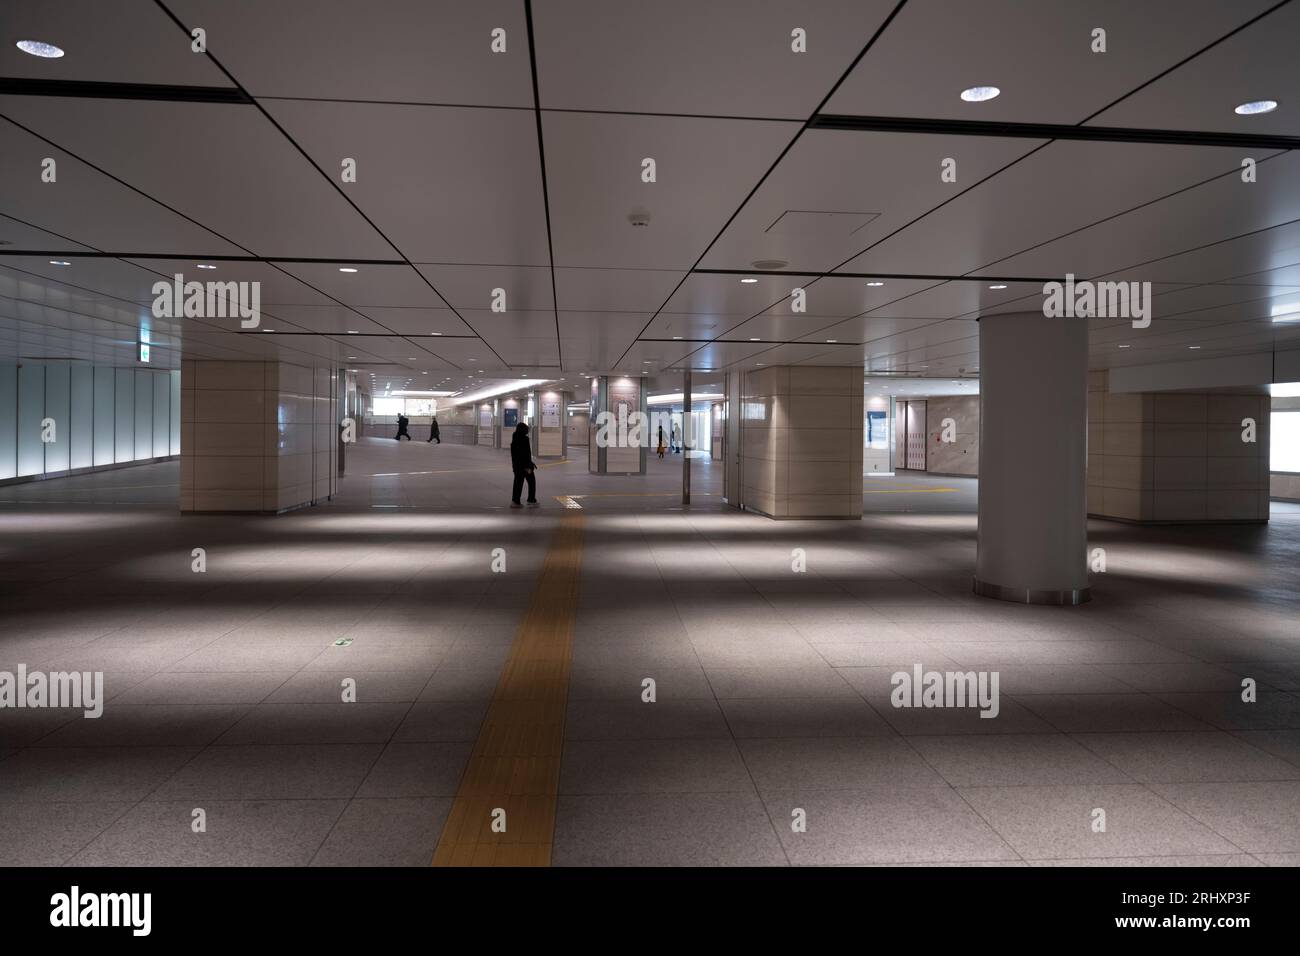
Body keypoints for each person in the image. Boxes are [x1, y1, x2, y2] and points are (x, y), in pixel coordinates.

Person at [510, 422, 538, 508]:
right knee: (532, 482)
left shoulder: (514, 438)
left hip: (517, 466)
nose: (528, 430)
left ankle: (515, 501)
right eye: (526, 429)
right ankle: (531, 499)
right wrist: (529, 464)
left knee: (518, 483)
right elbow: (526, 454)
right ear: (523, 430)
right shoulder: (525, 439)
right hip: (525, 467)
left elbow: (516, 455)